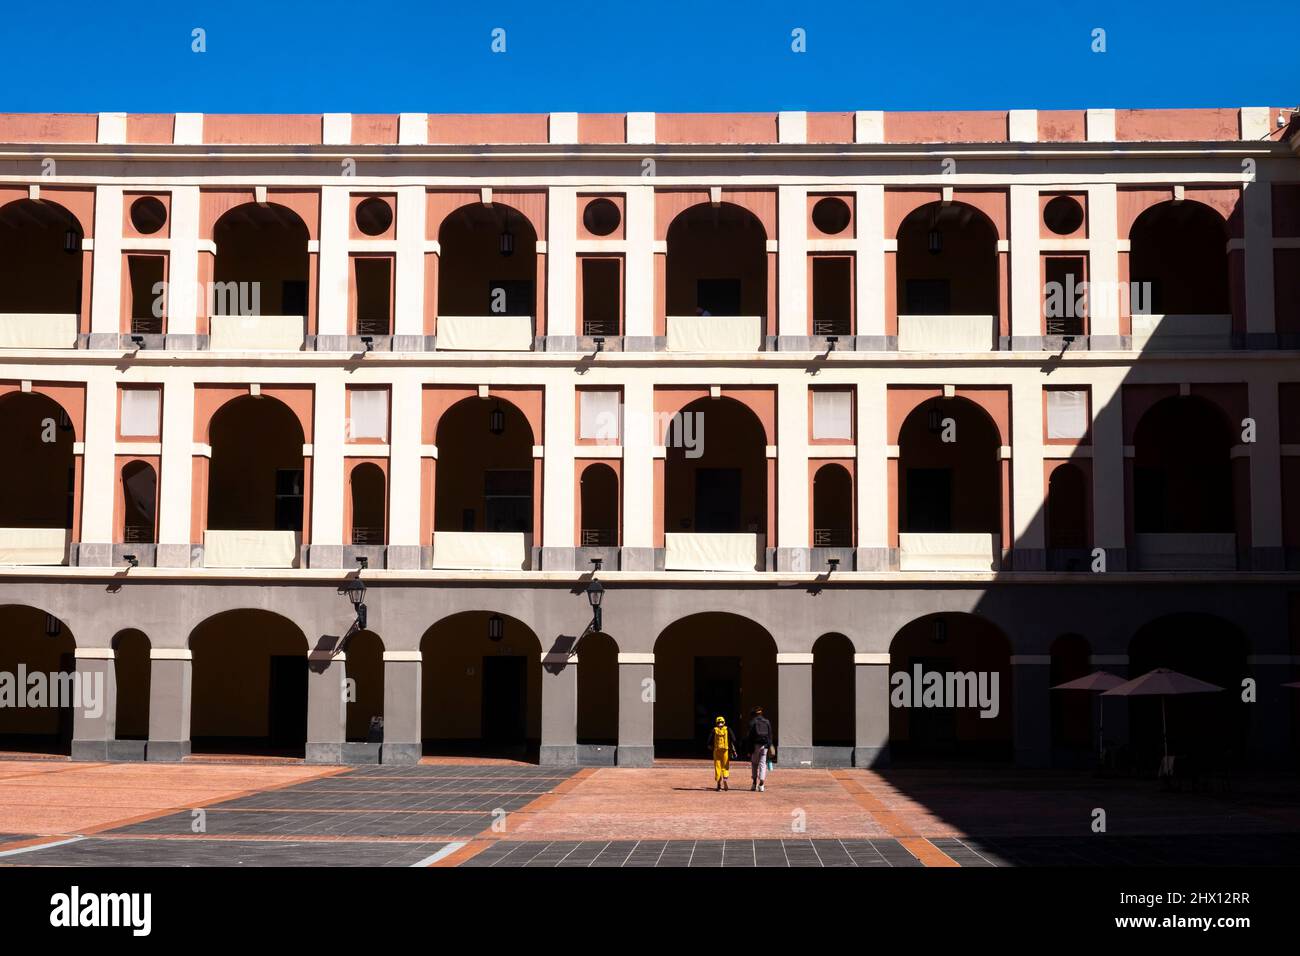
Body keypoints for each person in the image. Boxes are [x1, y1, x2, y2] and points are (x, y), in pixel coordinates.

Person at [746, 706, 774, 792]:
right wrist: (768, 745)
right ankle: (761, 784)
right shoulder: (767, 721)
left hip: (755, 746)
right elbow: (770, 734)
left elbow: (749, 737)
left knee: (754, 764)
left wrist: (749, 750)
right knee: (763, 763)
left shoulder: (752, 722)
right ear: (761, 713)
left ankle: (754, 783)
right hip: (765, 745)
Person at [709, 715, 737, 791]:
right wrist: (733, 748)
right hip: (725, 751)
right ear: (724, 722)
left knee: (717, 767)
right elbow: (734, 739)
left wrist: (710, 746)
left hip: (716, 751)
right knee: (725, 766)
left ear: (716, 722)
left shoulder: (714, 730)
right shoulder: (727, 729)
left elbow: (709, 740)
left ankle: (718, 784)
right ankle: (725, 779)